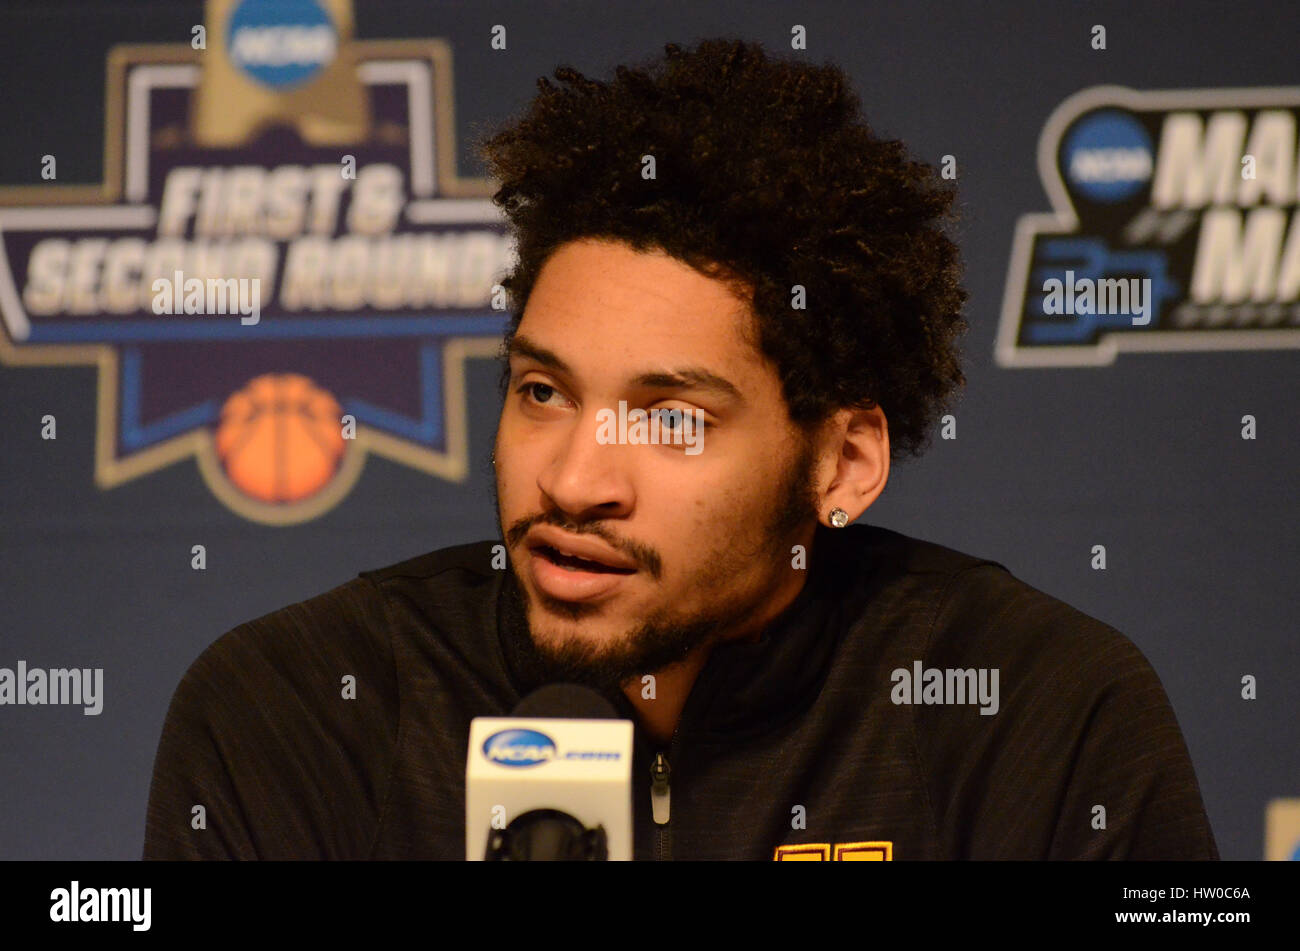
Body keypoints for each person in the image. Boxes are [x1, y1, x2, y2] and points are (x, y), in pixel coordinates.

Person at [144, 38, 1218, 860]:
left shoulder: (1033, 708)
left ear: (840, 464)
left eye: (670, 421)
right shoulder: (298, 708)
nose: (571, 481)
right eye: (542, 391)